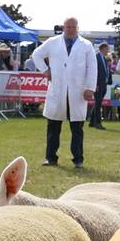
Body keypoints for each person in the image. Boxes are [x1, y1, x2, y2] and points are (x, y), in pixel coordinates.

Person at [29, 16, 96, 167]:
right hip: (57, 88)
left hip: (77, 90)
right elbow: (36, 55)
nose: (70, 29)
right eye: (68, 27)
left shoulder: (86, 45)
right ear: (63, 27)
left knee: (77, 128)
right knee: (53, 126)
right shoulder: (52, 42)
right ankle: (50, 157)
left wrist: (90, 88)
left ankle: (78, 159)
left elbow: (92, 68)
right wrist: (45, 70)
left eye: (73, 26)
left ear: (77, 27)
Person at [88, 41, 110, 129]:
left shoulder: (104, 58)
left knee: (98, 103)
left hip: (103, 84)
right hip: (98, 84)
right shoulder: (96, 58)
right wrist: (95, 84)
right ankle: (98, 123)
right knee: (98, 103)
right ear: (103, 48)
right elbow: (94, 71)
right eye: (107, 48)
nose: (108, 50)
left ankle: (92, 122)